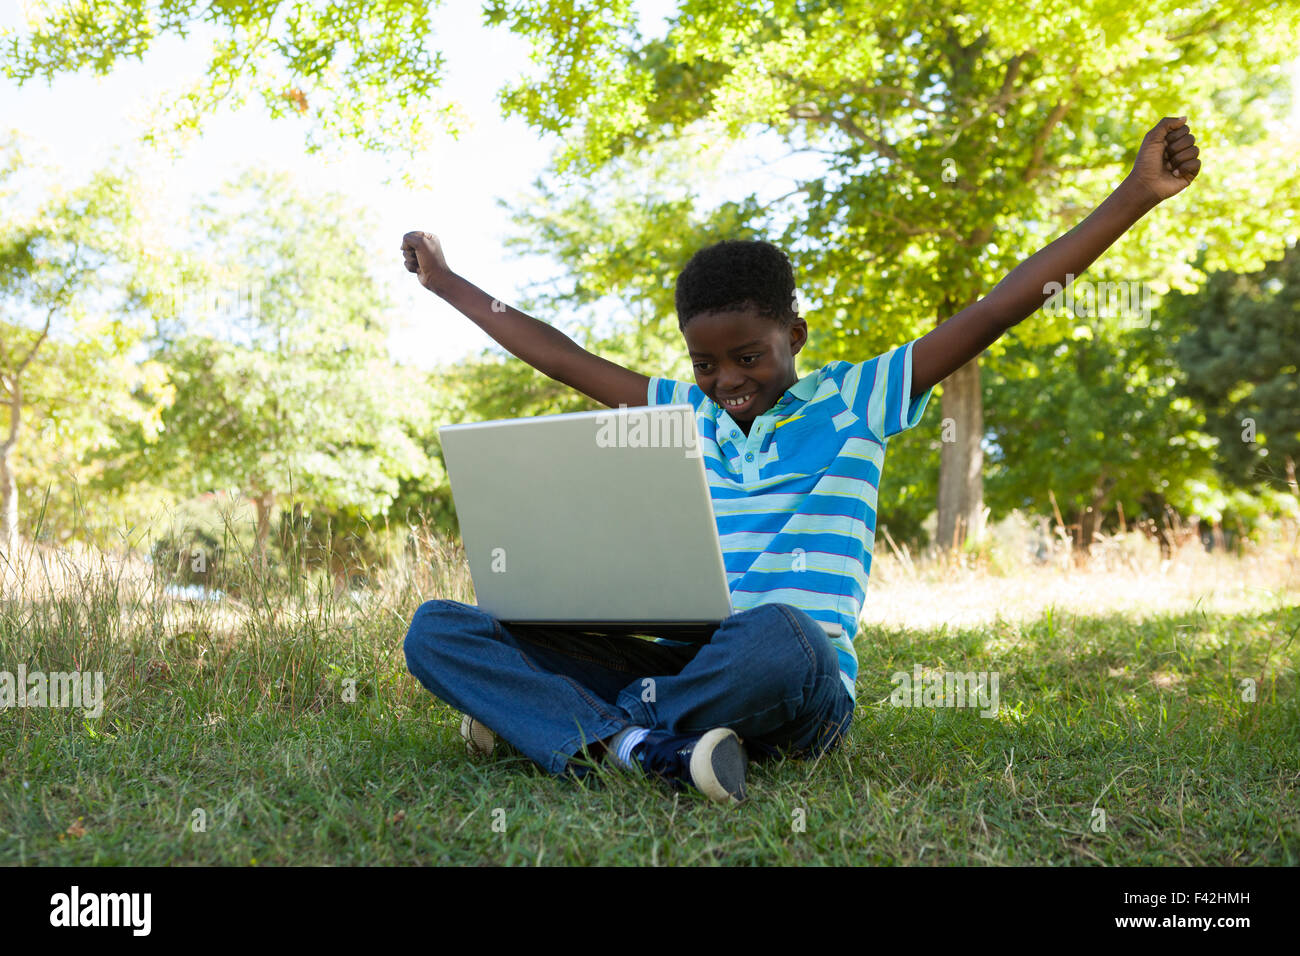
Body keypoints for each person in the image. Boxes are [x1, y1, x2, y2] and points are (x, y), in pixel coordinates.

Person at [400, 116, 1200, 805]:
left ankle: (567, 722)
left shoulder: (860, 399)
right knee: (437, 630)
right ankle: (642, 748)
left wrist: (1134, 196)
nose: (728, 382)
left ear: (797, 336)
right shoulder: (683, 415)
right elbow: (559, 354)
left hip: (792, 679)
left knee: (780, 635)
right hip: (691, 659)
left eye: (748, 357)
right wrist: (447, 284)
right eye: (707, 365)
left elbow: (1000, 305)